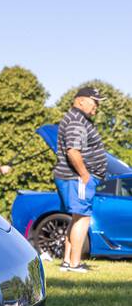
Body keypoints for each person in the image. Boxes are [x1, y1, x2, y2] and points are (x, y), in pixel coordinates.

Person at [53, 86, 106, 272]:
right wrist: (84, 175)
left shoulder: (78, 119)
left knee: (76, 217)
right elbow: (73, 151)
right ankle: (75, 263)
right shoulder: (77, 121)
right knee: (83, 217)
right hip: (77, 177)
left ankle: (68, 261)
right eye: (95, 101)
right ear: (81, 100)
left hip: (75, 178)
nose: (97, 106)